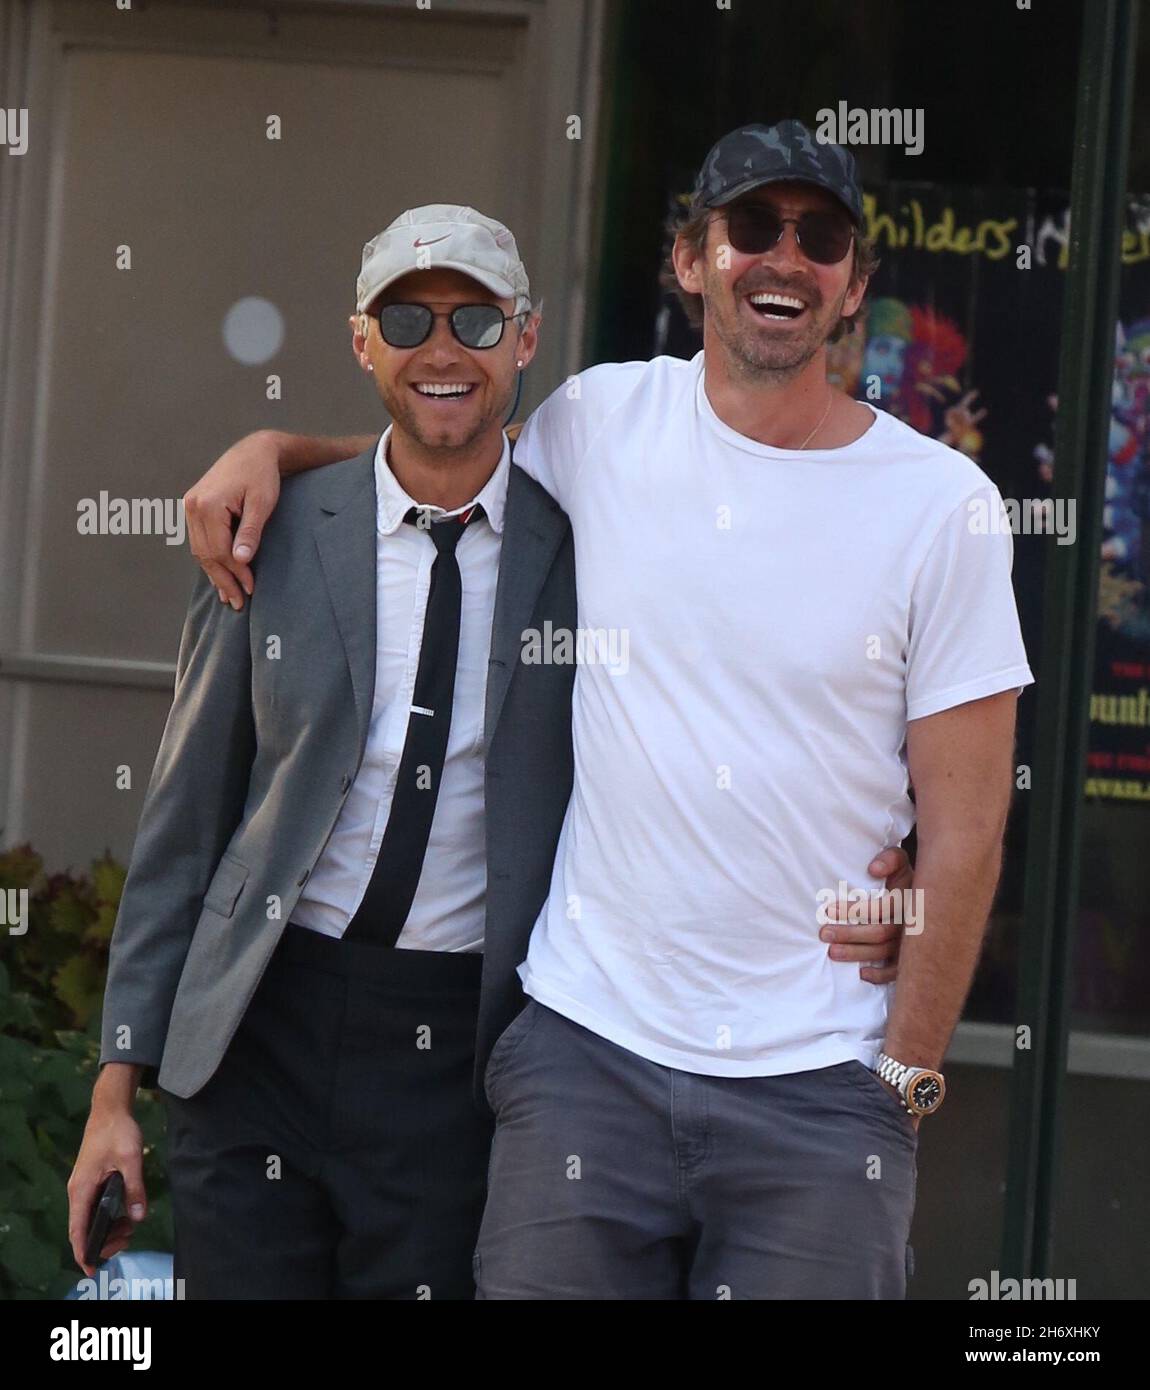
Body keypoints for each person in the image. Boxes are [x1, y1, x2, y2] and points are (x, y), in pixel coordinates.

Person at [69, 200, 909, 1299]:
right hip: (260, 1023)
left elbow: (757, 694)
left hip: (450, 1046)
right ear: (359, 339)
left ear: (525, 337)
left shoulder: (593, 542)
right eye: (407, 321)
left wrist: (905, 869)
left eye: (475, 320)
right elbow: (183, 824)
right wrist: (113, 1094)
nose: (441, 350)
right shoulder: (270, 535)